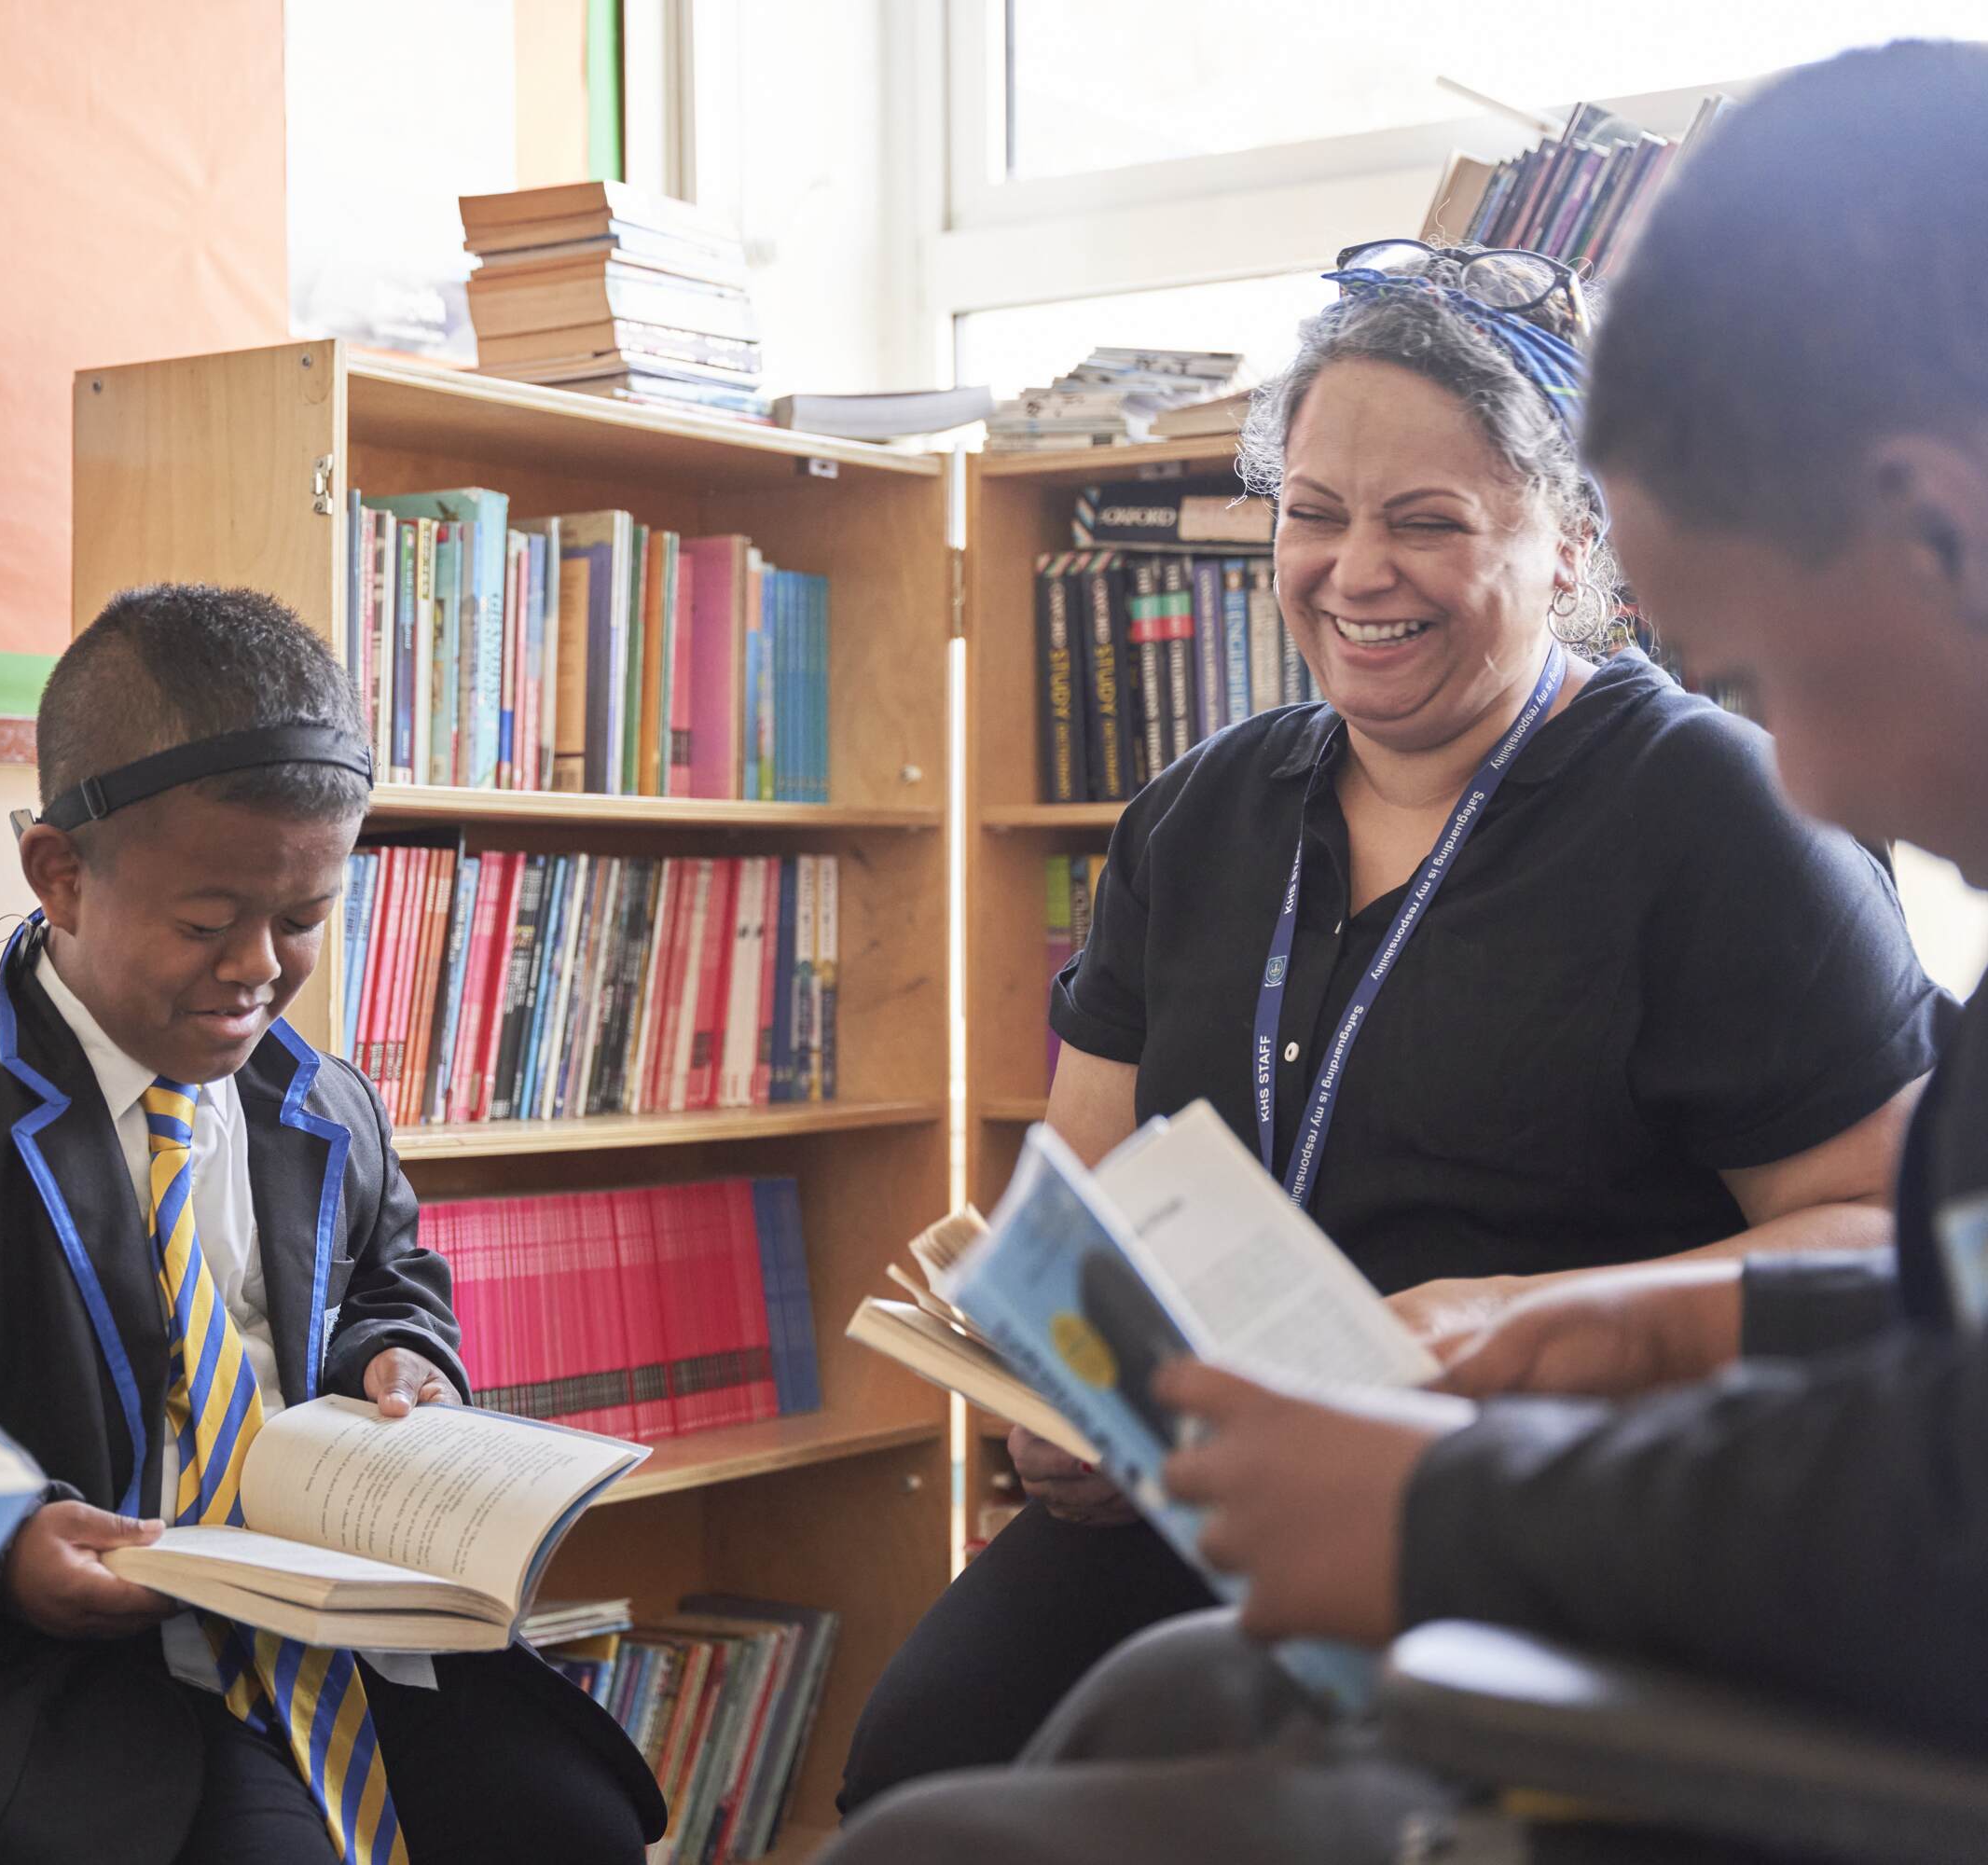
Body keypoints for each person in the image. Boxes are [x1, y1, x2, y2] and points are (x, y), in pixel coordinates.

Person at [825, 35, 1988, 1861]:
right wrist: (1060, 1387)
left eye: (1428, 522)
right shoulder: (1199, 817)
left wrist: (1510, 1392)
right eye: (1314, 513)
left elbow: (1911, 1407)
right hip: (1258, 1478)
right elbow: (1940, 1346)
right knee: (945, 1748)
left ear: (1570, 550)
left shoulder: (1718, 812)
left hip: (1555, 1524)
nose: (1356, 571)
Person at [0, 583, 664, 1865]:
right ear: (58, 875)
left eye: (304, 920)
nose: (257, 968)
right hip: (66, 1686)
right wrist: (11, 1552)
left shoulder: (323, 1103)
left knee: (574, 1826)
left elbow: (389, 1282)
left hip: (326, 1630)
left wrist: (403, 1366)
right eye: (206, 920)